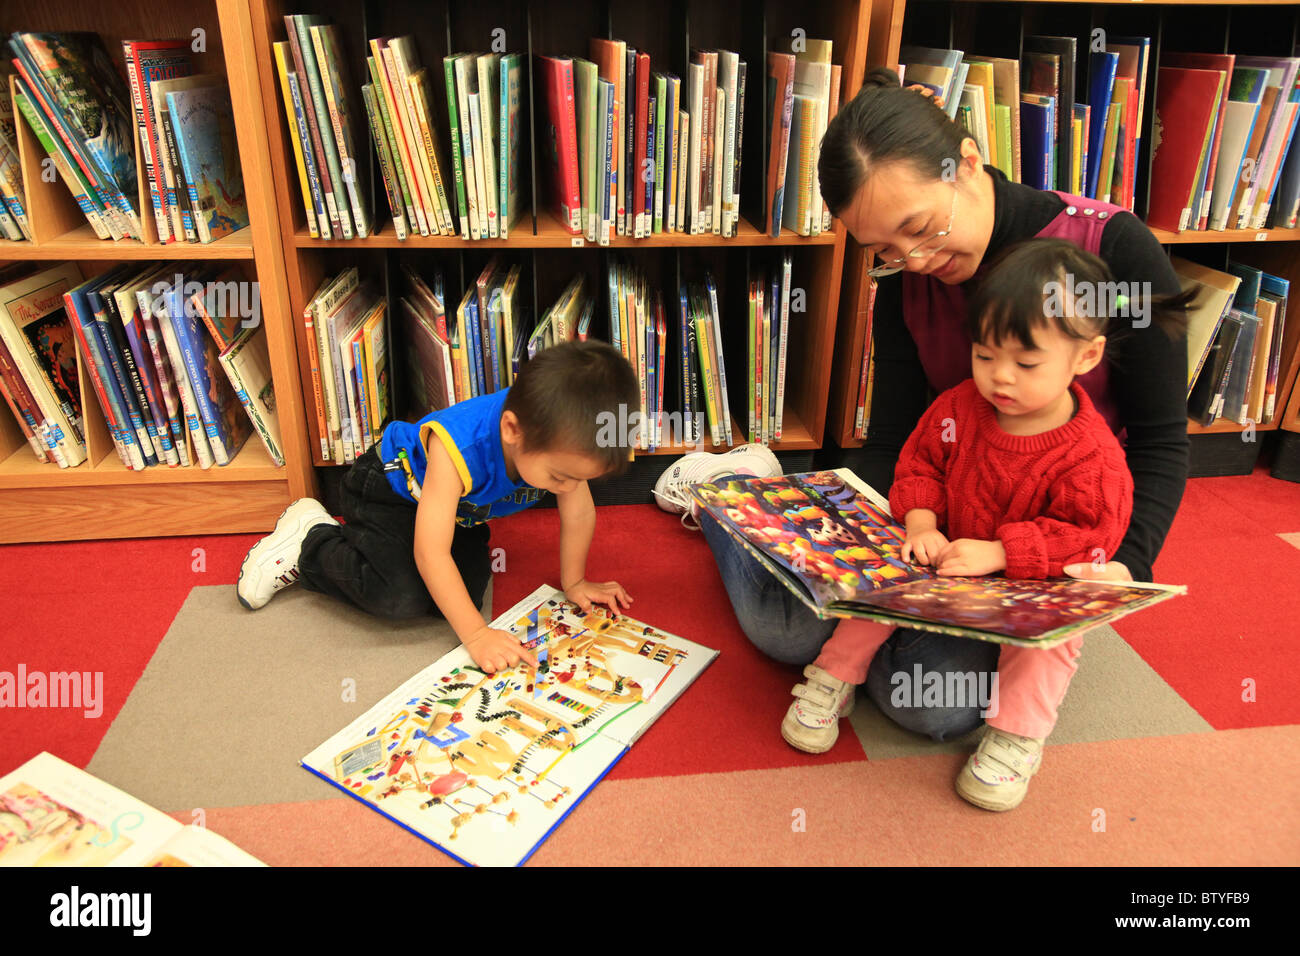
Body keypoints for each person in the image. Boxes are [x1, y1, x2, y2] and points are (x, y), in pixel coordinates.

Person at [654, 66, 1191, 750]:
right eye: (885, 249)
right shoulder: (907, 280)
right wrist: (869, 550)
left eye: (920, 228)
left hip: (1036, 554)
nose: (913, 260)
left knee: (930, 709)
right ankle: (731, 492)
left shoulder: (1114, 250)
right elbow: (894, 438)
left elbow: (1161, 442)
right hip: (932, 521)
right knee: (788, 629)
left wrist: (1125, 569)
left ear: (966, 161)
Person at [784, 238, 1188, 811]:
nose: (1000, 378)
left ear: (1086, 357)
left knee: (1051, 643)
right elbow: (920, 461)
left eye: (1026, 363)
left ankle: (1017, 737)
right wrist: (921, 523)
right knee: (881, 578)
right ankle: (834, 677)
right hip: (946, 558)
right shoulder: (958, 406)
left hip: (1030, 581)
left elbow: (1089, 538)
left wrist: (1000, 553)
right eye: (983, 354)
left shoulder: (1091, 455)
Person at [237, 340, 640, 674]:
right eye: (560, 477)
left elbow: (579, 512)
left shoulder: (557, 440)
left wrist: (574, 582)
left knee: (456, 596)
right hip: (388, 489)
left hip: (458, 513)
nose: (569, 487)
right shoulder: (459, 447)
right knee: (398, 597)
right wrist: (478, 637)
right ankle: (313, 541)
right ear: (513, 430)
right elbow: (430, 552)